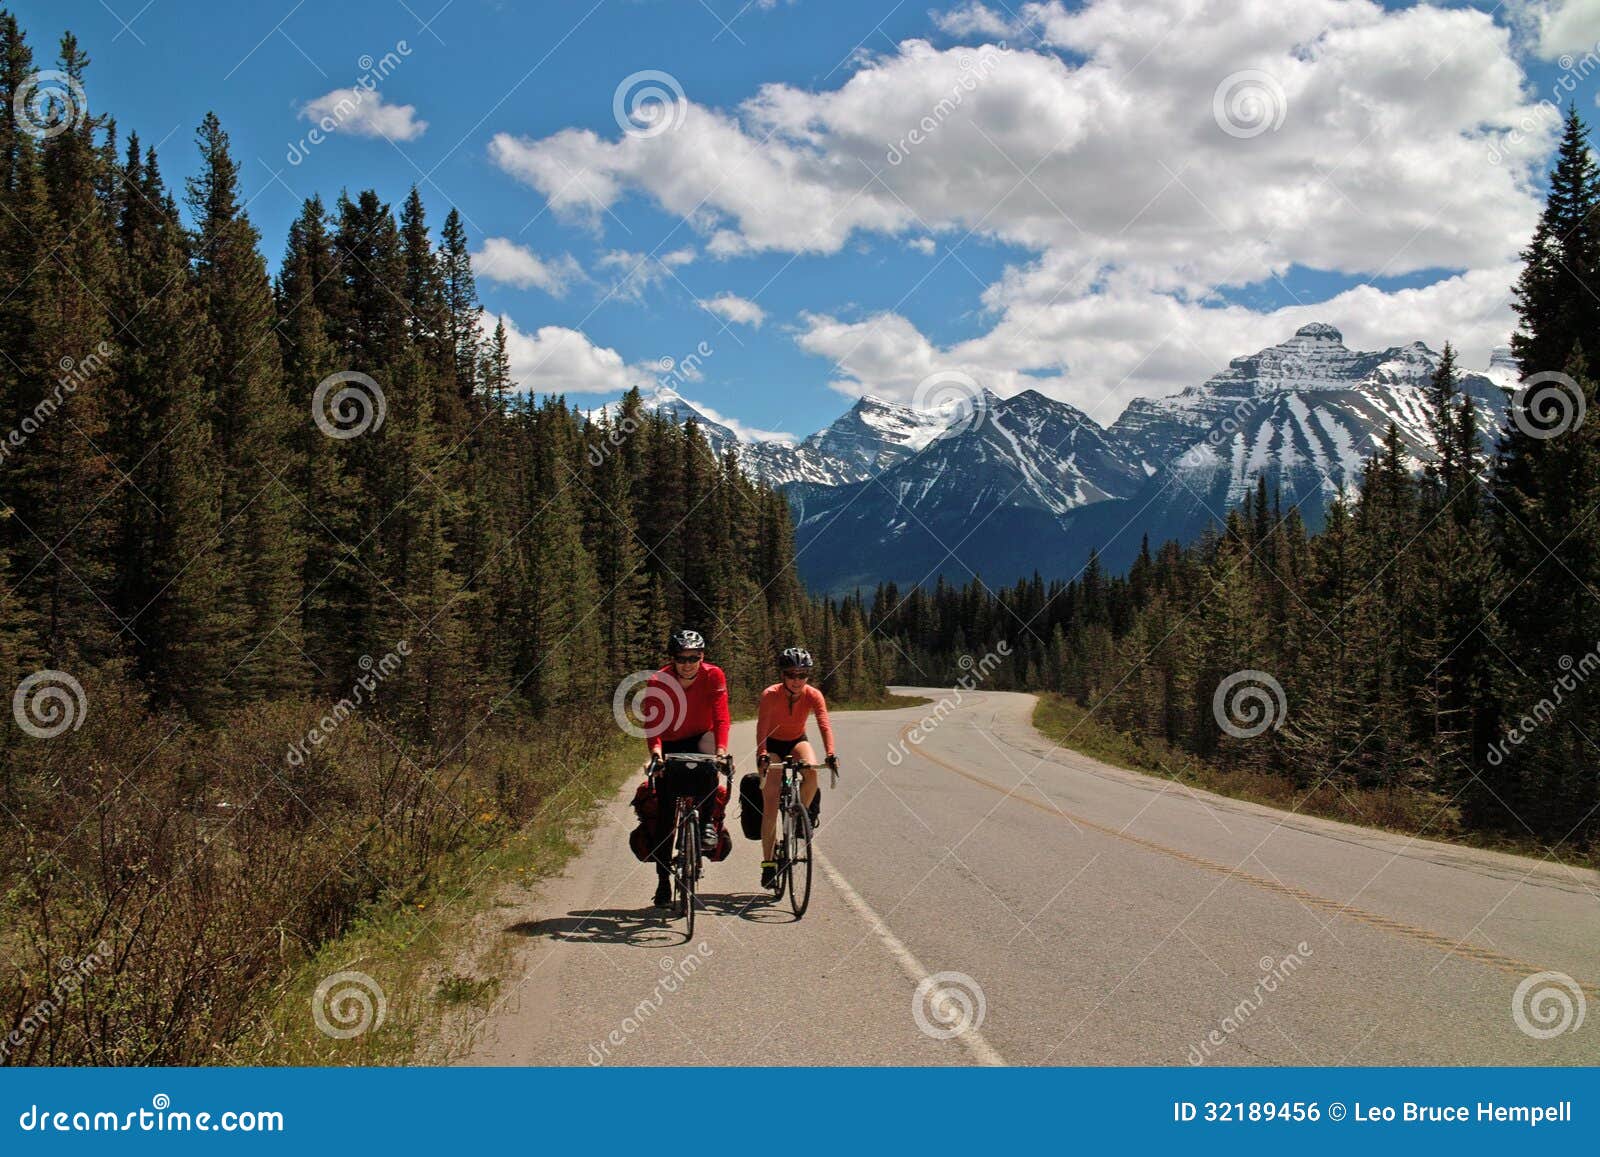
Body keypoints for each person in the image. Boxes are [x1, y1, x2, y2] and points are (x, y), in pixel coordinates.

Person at [643, 629, 731, 907]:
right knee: (667, 811)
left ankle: (706, 824)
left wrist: (721, 751)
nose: (688, 663)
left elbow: (721, 715)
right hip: (669, 742)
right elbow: (653, 722)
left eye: (694, 657)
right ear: (673, 659)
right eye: (682, 658)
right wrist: (656, 753)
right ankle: (662, 880)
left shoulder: (714, 674)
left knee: (709, 768)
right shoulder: (659, 680)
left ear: (702, 656)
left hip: (701, 736)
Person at [755, 647, 838, 890]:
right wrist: (762, 754)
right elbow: (762, 727)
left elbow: (824, 723)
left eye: (803, 675)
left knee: (811, 770)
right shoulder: (770, 694)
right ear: (783, 675)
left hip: (796, 740)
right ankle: (768, 863)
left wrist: (830, 753)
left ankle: (799, 814)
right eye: (792, 674)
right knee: (770, 804)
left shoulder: (813, 695)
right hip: (772, 745)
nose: (797, 680)